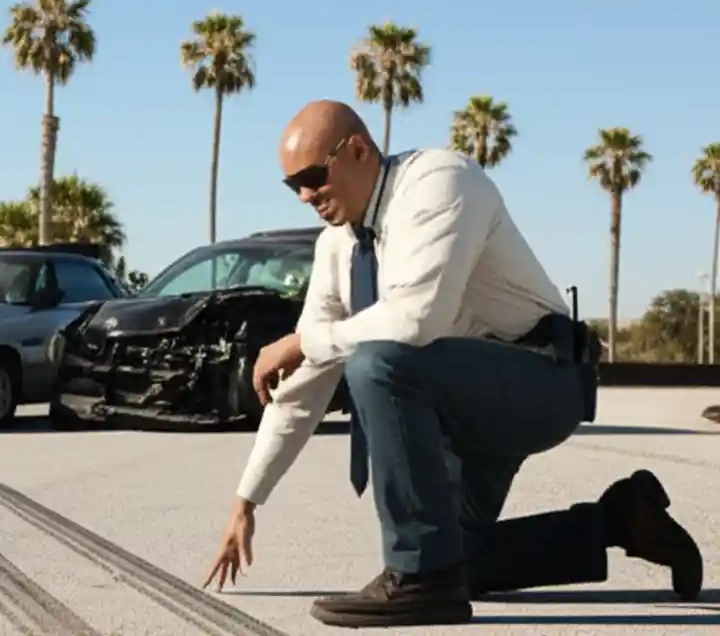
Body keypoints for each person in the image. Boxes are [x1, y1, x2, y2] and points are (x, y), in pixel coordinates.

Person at [201, 100, 704, 628]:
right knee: (456, 556)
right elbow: (305, 383)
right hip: (461, 403)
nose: (306, 195)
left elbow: (415, 320)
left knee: (378, 363)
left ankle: (418, 583)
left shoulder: (440, 183)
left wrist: (303, 339)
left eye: (312, 176)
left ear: (356, 151)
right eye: (292, 186)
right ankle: (622, 520)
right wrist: (245, 502)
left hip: (540, 377)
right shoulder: (338, 248)